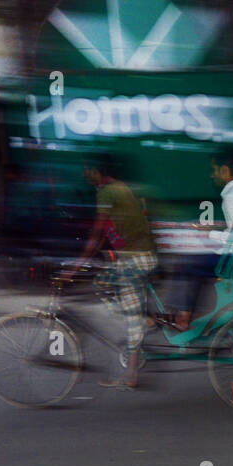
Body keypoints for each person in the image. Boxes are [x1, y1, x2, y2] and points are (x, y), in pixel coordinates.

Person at [73, 154, 156, 388]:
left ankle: (131, 373)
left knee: (132, 318)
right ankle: (144, 318)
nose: (84, 174)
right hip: (136, 255)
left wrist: (77, 264)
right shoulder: (121, 188)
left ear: (96, 171)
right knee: (102, 282)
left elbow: (97, 233)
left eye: (87, 169)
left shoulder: (107, 192)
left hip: (136, 259)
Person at [165, 147, 233, 331]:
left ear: (225, 171)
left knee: (186, 262)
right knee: (195, 259)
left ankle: (182, 317)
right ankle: (186, 312)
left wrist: (209, 233)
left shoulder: (232, 197)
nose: (213, 175)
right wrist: (214, 229)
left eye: (214, 170)